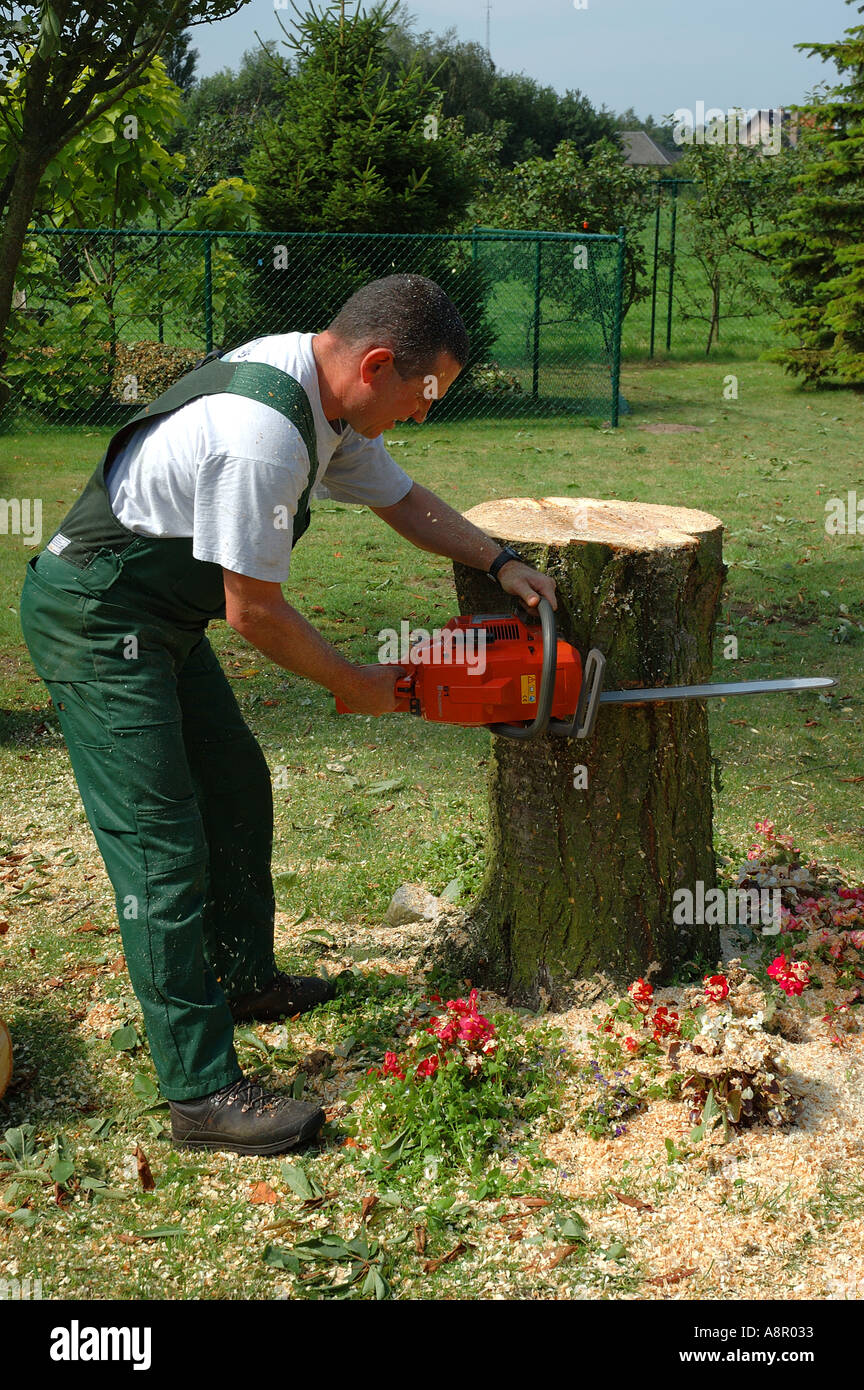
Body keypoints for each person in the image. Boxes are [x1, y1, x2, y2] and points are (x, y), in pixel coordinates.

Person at [19, 273, 556, 1157]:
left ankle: (242, 981)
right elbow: (254, 610)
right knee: (161, 846)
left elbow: (401, 497)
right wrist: (351, 680)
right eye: (423, 397)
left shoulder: (321, 396)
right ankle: (199, 1094)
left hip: (154, 619)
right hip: (99, 618)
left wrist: (498, 559)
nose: (423, 415)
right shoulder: (263, 434)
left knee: (235, 786)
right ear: (377, 363)